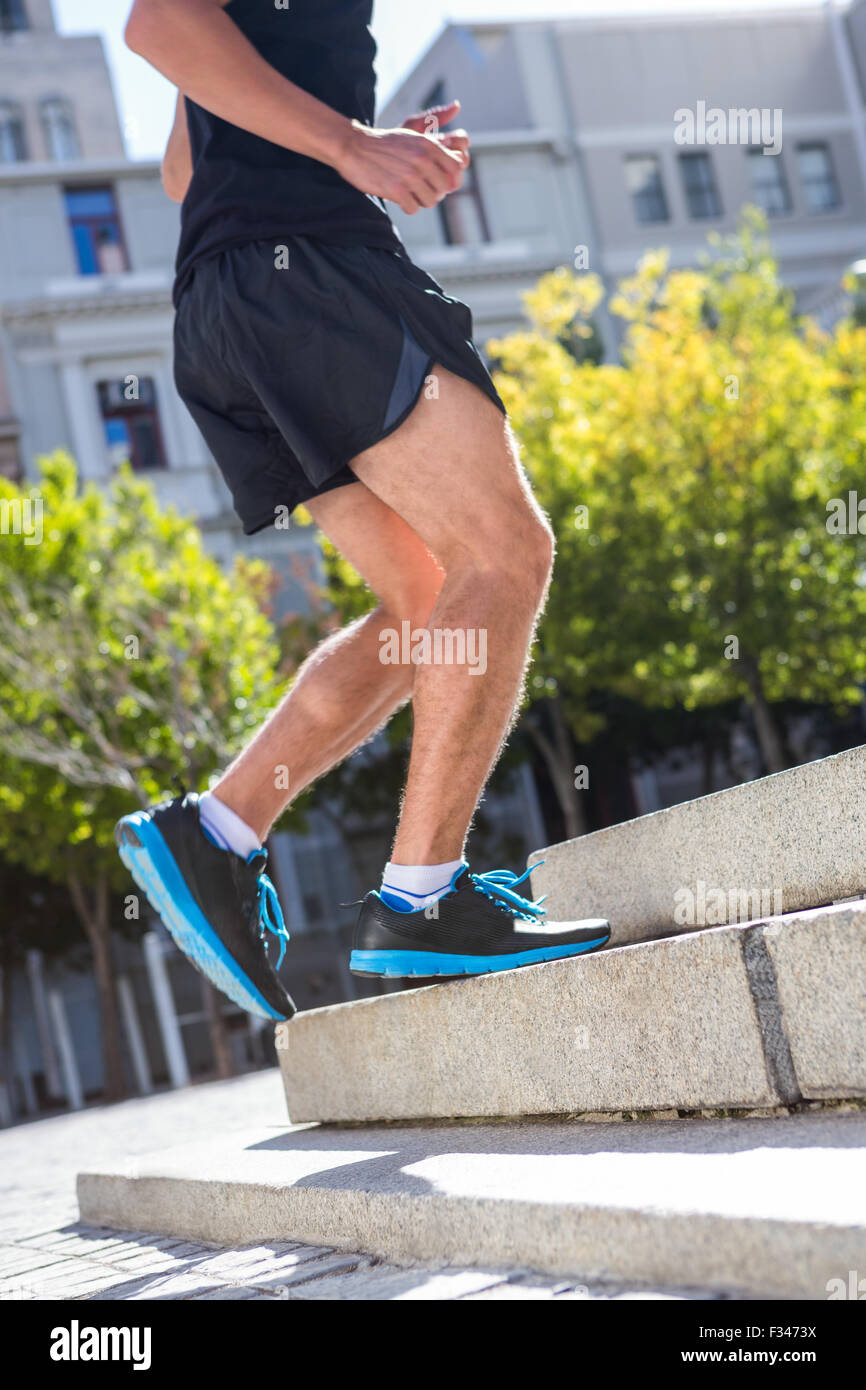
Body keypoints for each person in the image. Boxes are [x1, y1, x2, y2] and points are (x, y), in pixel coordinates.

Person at [116, 0, 609, 1022]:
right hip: (307, 275)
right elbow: (157, 21)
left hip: (228, 302)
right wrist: (349, 148)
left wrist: (354, 148)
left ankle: (219, 828)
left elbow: (182, 167)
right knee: (503, 553)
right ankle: (422, 899)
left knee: (425, 599)